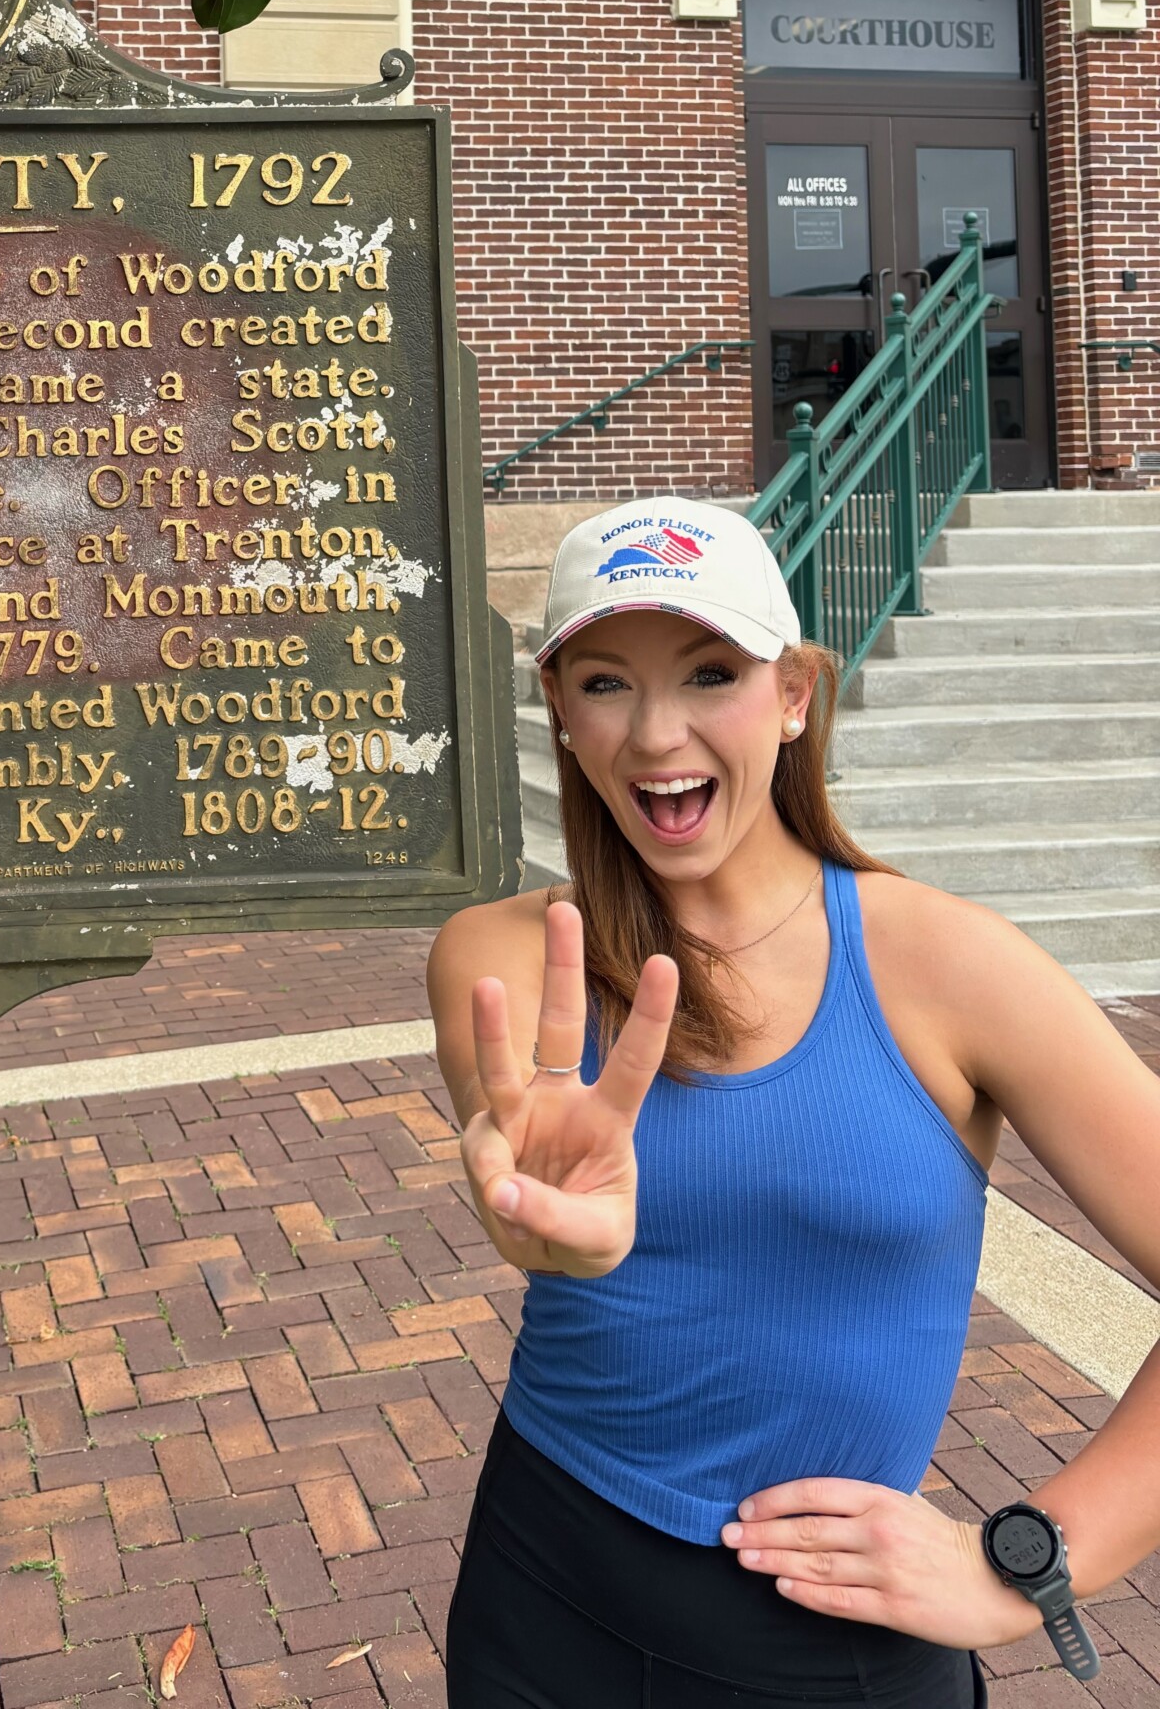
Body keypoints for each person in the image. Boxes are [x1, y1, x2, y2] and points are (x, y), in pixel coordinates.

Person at [428, 497, 1160, 1707]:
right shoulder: (500, 962)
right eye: (606, 681)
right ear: (556, 709)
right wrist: (541, 1226)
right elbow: (529, 1211)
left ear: (795, 692)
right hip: (547, 1592)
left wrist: (1026, 1565)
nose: (657, 733)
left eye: (710, 672)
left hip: (845, 1647)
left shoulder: (952, 964)